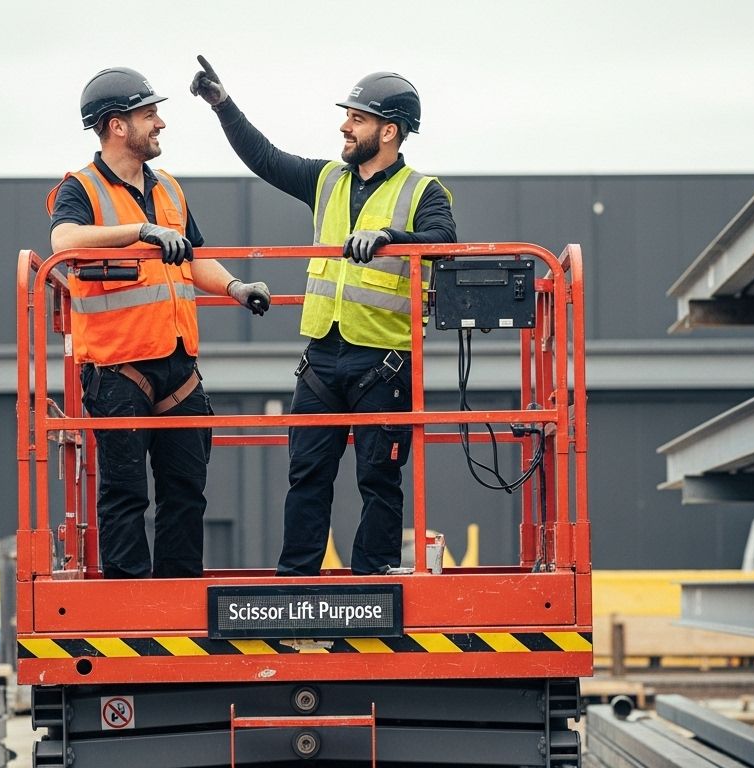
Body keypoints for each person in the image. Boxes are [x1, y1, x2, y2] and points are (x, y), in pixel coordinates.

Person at [191, 57, 456, 576]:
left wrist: (390, 238)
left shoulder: (423, 192)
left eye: (356, 118)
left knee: (379, 478)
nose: (344, 125)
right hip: (321, 357)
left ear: (389, 131)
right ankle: (297, 583)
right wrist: (224, 106)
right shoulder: (328, 180)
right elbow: (265, 158)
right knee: (306, 473)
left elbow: (444, 243)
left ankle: (371, 582)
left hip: (384, 360)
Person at [49, 66, 272, 579]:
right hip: (116, 371)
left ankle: (179, 597)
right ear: (117, 126)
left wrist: (236, 287)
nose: (161, 124)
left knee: (186, 491)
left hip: (178, 368)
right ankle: (130, 604)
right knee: (125, 494)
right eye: (150, 115)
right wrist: (140, 231)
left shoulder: (169, 188)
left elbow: (192, 256)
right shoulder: (80, 189)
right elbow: (63, 242)